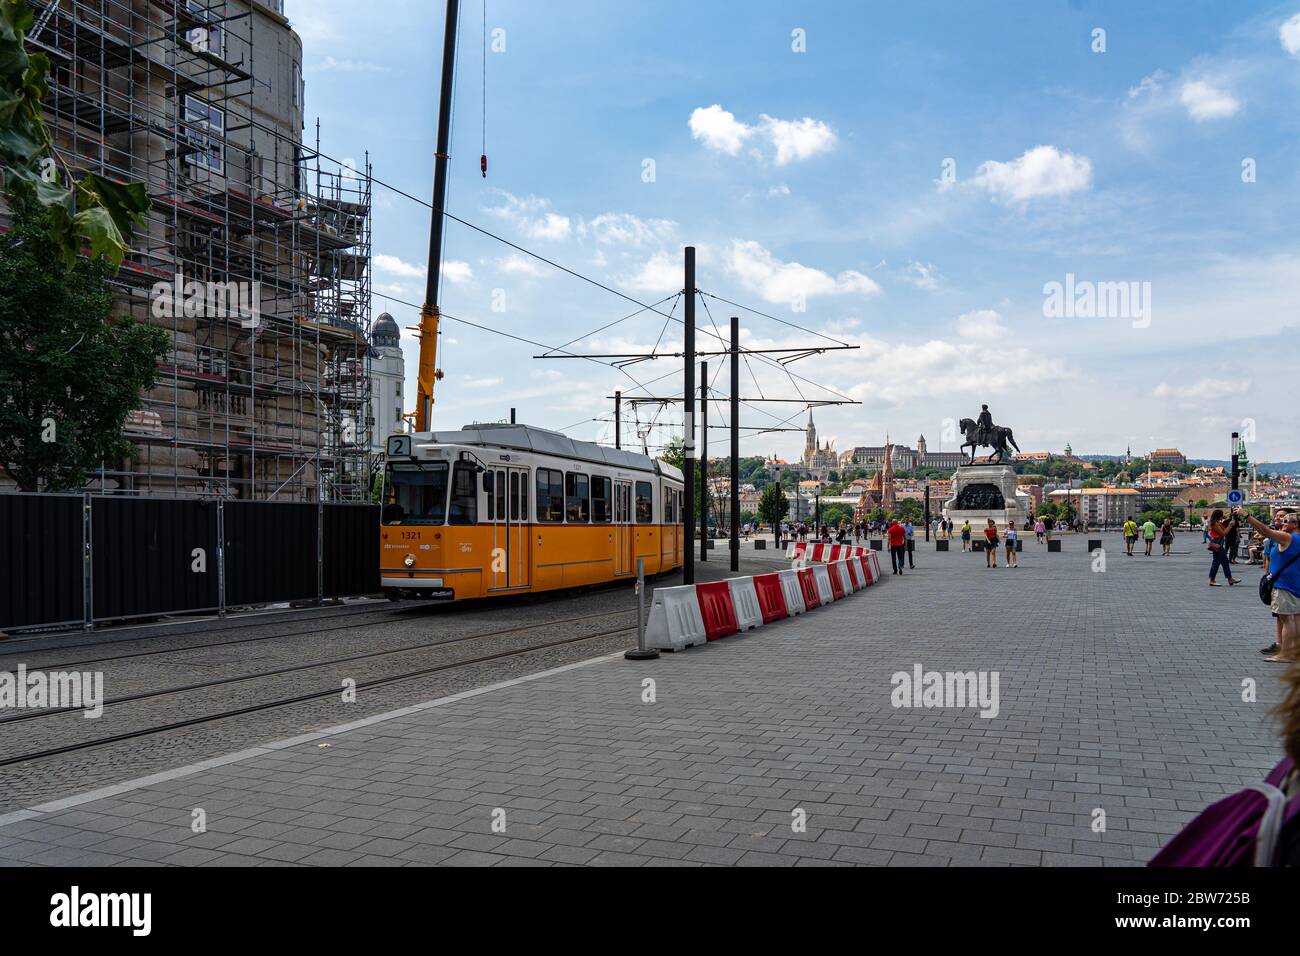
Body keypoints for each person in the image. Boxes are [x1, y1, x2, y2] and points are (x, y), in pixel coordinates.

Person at [1238, 509, 1300, 663]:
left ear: (1295, 524)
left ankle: (1285, 654)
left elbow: (1265, 531)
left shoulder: (1288, 538)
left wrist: (1247, 516)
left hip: (1284, 584)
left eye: (1286, 521)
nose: (1282, 524)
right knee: (1296, 619)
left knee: (1287, 619)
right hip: (1295, 583)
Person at [1206, 508, 1240, 587]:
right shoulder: (1215, 523)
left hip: (1219, 542)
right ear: (1218, 516)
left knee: (1225, 562)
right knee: (1216, 562)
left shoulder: (1217, 522)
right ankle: (1212, 580)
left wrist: (1227, 519)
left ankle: (1230, 579)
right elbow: (1223, 533)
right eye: (1221, 516)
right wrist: (1230, 525)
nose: (1222, 517)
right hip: (1217, 543)